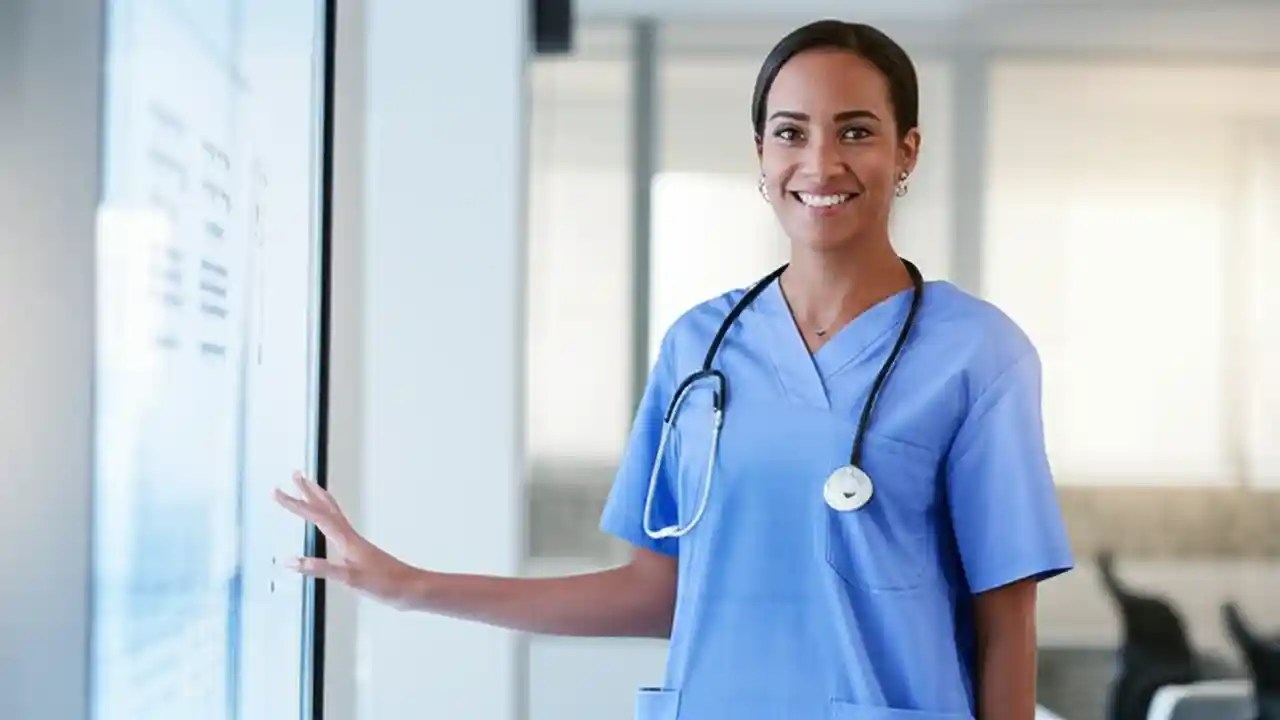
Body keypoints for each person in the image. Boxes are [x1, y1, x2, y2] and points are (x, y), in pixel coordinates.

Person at [276, 19, 1074, 719]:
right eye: (791, 132)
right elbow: (654, 593)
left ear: (906, 151)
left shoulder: (977, 354)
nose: (821, 161)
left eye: (856, 131)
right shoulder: (702, 345)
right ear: (761, 153)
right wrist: (410, 585)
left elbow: (1007, 621)